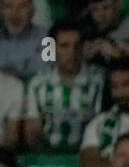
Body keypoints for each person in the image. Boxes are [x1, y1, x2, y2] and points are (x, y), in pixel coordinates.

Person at [15, 20, 104, 155]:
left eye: (77, 46)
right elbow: (32, 132)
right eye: (64, 46)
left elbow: (102, 126)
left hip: (90, 155)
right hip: (47, 155)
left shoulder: (100, 80)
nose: (72, 52)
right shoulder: (37, 83)